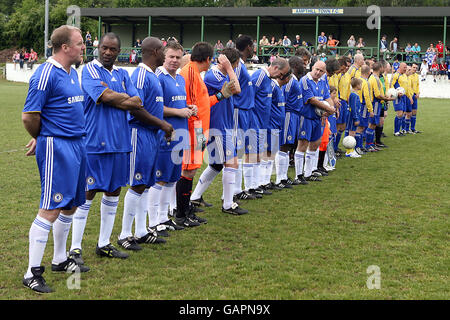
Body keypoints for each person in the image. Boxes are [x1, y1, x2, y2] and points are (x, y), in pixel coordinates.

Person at [69, 33, 170, 264]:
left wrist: (118, 98)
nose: (107, 52)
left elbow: (137, 101)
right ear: (98, 48)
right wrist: (118, 98)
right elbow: (104, 96)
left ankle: (104, 243)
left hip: (121, 143)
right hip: (95, 143)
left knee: (113, 192)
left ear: (119, 51)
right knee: (87, 194)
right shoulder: (90, 70)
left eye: (112, 49)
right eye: (104, 48)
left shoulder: (124, 73)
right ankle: (75, 248)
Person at [22, 25, 88, 294]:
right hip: (57, 147)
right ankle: (31, 272)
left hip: (77, 145)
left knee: (71, 205)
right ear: (65, 47)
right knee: (50, 207)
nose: (84, 47)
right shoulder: (45, 74)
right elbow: (29, 115)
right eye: (80, 43)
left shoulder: (72, 72)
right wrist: (42, 135)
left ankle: (60, 259)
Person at [117, 36, 175, 251]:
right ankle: (124, 234)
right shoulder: (141, 75)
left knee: (146, 184)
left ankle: (140, 231)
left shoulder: (152, 75)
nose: (164, 53)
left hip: (152, 136)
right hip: (139, 134)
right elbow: (135, 108)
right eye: (163, 50)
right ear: (154, 52)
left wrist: (160, 127)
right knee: (138, 183)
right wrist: (162, 124)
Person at [190, 48, 248, 216]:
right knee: (232, 162)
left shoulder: (218, 75)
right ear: (233, 63)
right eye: (235, 64)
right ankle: (228, 204)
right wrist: (230, 68)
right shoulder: (214, 75)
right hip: (217, 126)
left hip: (221, 124)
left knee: (216, 164)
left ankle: (195, 197)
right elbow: (237, 89)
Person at [176, 42, 227, 227]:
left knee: (191, 170)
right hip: (193, 129)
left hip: (198, 129)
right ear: (207, 59)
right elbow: (189, 106)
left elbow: (203, 103)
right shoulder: (189, 73)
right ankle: (181, 214)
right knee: (187, 170)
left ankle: (185, 209)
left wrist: (221, 95)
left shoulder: (196, 73)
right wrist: (197, 133)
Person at [249, 58, 291, 193]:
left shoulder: (268, 80)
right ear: (276, 68)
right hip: (255, 123)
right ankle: (249, 187)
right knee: (252, 155)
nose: (281, 77)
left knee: (259, 155)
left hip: (263, 123)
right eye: (282, 74)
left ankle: (257, 185)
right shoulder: (260, 76)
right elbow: (249, 96)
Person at [296, 61, 335, 182]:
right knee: (303, 144)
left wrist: (331, 108)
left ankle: (308, 173)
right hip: (306, 117)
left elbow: (327, 97)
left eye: (321, 71)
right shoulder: (304, 80)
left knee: (315, 144)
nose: (318, 73)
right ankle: (298, 175)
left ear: (324, 72)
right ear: (312, 67)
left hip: (318, 118)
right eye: (316, 69)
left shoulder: (323, 81)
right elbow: (311, 99)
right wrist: (328, 108)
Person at [231, 35, 258, 201]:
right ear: (248, 46)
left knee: (241, 150)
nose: (254, 47)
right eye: (253, 45)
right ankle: (234, 190)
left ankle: (238, 188)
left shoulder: (241, 64)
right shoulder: (237, 65)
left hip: (245, 111)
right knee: (236, 150)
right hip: (238, 111)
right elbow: (231, 86)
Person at [279, 56, 305, 186]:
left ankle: (283, 176)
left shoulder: (295, 79)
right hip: (289, 114)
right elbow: (283, 96)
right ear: (295, 65)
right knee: (284, 144)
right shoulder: (290, 80)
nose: (304, 65)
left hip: (294, 114)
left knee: (288, 145)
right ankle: (280, 178)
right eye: (302, 63)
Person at [367, 62, 394, 151]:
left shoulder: (374, 77)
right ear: (380, 68)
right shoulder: (375, 78)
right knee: (372, 124)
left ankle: (371, 144)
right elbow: (378, 94)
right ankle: (369, 145)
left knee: (374, 124)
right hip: (375, 103)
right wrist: (388, 99)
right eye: (383, 67)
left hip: (376, 103)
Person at [389, 62, 408, 136]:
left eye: (406, 67)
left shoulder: (404, 75)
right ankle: (396, 131)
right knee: (399, 113)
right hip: (397, 97)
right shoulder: (396, 75)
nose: (405, 69)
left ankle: (399, 130)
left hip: (404, 97)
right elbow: (391, 85)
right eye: (404, 67)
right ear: (400, 67)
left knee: (403, 113)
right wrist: (396, 92)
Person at [345, 77, 362, 157]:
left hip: (354, 116)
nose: (361, 85)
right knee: (352, 133)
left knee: (353, 133)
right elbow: (354, 107)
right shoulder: (354, 95)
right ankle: (349, 151)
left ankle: (351, 150)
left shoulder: (354, 94)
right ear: (357, 85)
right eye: (361, 84)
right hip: (352, 117)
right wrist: (355, 118)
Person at [410, 63, 421, 134]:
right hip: (409, 95)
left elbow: (417, 85)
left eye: (416, 68)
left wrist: (418, 93)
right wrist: (411, 95)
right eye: (413, 67)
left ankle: (413, 128)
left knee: (414, 112)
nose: (415, 69)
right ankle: (405, 129)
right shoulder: (407, 75)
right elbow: (408, 87)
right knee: (408, 113)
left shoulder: (416, 76)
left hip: (415, 95)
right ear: (410, 67)